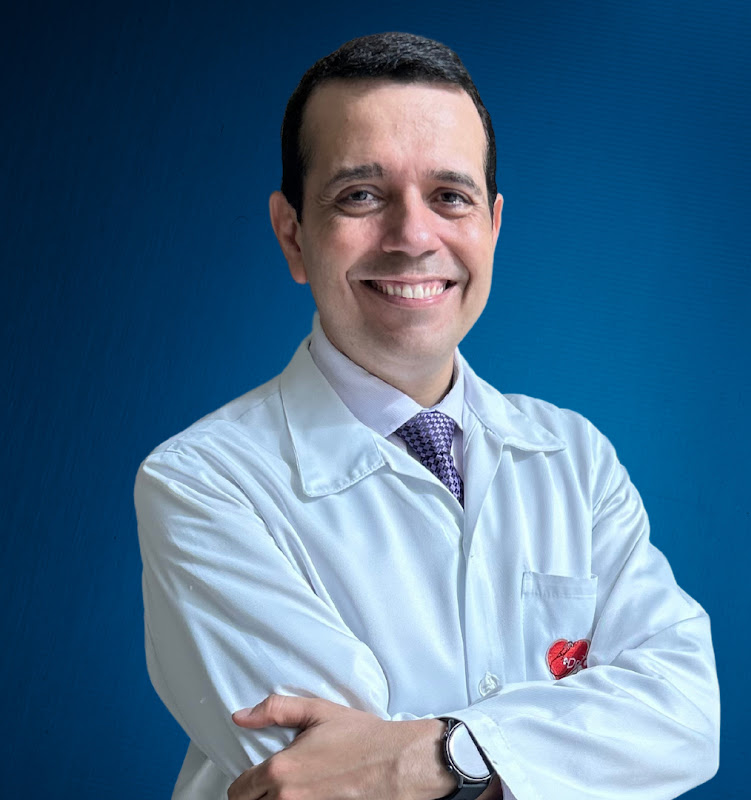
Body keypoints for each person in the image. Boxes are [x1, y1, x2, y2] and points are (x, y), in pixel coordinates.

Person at [134, 32, 720, 800]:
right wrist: (563, 750)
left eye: (450, 196)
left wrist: (445, 756)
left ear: (493, 228)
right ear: (293, 235)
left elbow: (684, 714)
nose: (413, 237)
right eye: (360, 195)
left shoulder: (575, 459)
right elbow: (322, 778)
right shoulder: (202, 484)